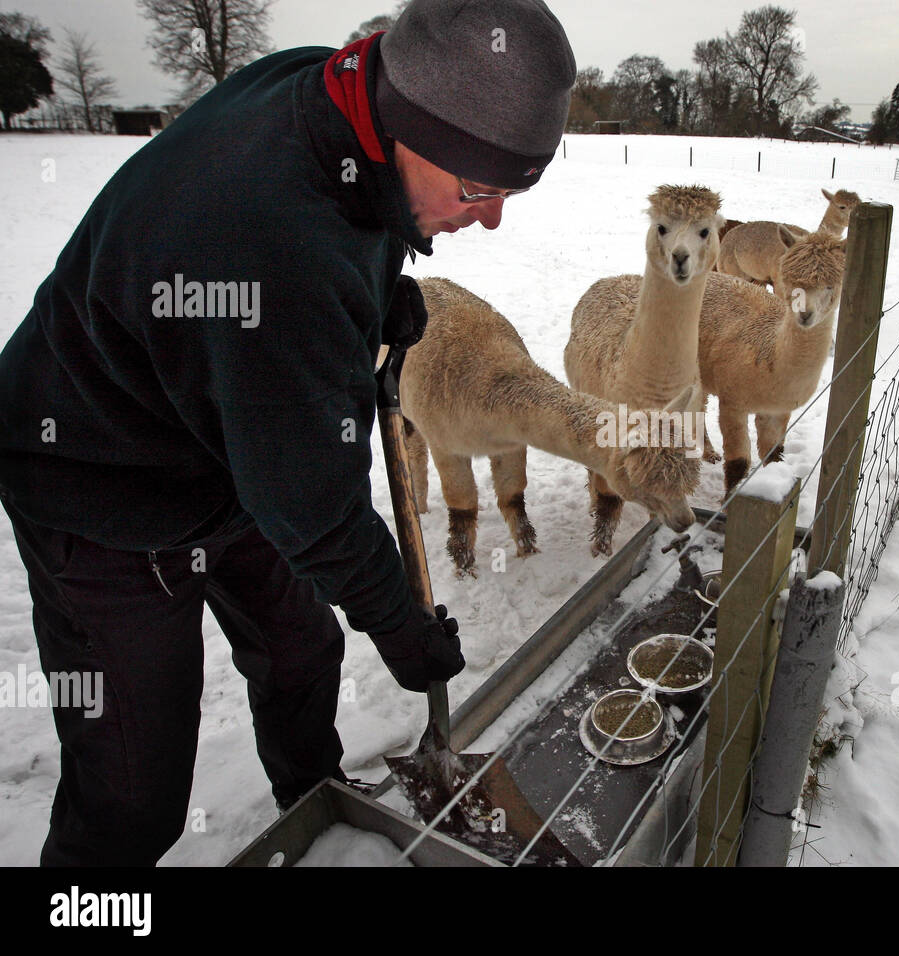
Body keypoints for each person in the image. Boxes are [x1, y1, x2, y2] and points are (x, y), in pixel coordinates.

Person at [0, 0, 576, 866]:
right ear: (412, 123)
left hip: (222, 431)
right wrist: (402, 625)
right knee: (133, 793)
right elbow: (311, 508)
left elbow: (359, 203)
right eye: (478, 190)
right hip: (100, 476)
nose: (489, 219)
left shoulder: (341, 88)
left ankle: (316, 821)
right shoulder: (270, 240)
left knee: (302, 646)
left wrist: (377, 291)